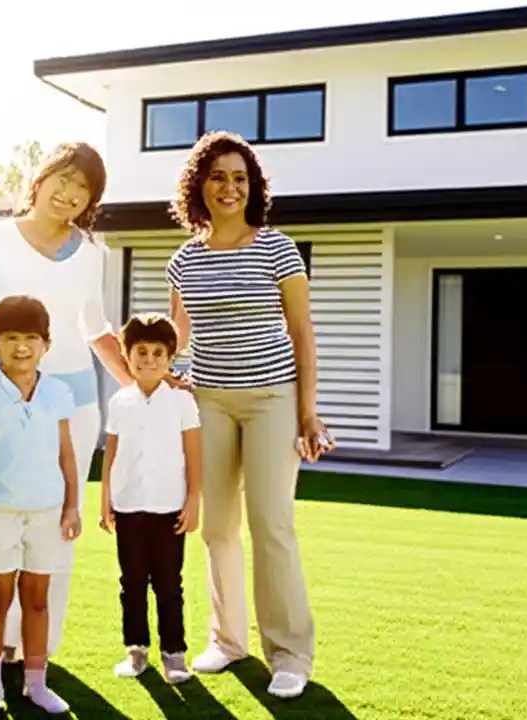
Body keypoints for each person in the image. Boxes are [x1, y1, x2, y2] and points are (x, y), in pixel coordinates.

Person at [165, 130, 336, 700]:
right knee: (216, 527)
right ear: (200, 185)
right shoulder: (184, 260)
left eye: (239, 178)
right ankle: (228, 640)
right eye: (218, 176)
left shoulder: (277, 248)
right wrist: (158, 362)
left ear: (253, 186)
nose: (229, 187)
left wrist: (307, 413)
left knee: (271, 524)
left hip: (271, 399)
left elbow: (302, 331)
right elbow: (181, 335)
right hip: (209, 400)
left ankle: (289, 654)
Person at [0, 141, 134, 660]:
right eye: (63, 178)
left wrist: (140, 382)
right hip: (4, 402)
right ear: (42, 177)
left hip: (74, 405)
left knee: (58, 524)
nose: (69, 193)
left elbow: (95, 329)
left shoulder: (93, 254)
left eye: (83, 188)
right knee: (1, 520)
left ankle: (37, 649)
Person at [0, 294, 81, 715]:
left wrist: (72, 506)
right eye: (10, 338)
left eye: (31, 338)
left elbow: (67, 453)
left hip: (47, 513)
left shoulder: (58, 393)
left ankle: (36, 683)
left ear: (47, 343)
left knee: (37, 599)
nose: (21, 347)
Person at [99, 313, 202, 684]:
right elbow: (111, 453)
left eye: (158, 353)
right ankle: (136, 649)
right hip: (128, 506)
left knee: (169, 584)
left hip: (169, 507)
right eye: (141, 352)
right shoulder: (119, 402)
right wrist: (105, 500)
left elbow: (193, 454)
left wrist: (194, 499)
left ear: (170, 357)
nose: (149, 360)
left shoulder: (182, 402)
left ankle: (174, 654)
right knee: (132, 583)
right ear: (127, 355)